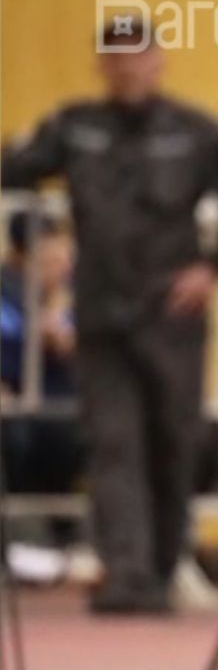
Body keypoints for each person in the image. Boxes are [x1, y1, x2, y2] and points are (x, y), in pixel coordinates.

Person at [1, 17, 218, 613]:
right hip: (102, 315)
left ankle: (162, 568)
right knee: (113, 444)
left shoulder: (195, 133)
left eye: (138, 56)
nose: (128, 69)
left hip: (171, 314)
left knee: (174, 442)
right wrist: (38, 246)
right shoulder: (75, 129)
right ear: (101, 65)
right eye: (116, 58)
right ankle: (128, 577)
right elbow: (14, 169)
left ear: (158, 60)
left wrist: (213, 267)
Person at [0, 211, 85, 513]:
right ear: (19, 261)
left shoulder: (77, 296)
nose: (61, 268)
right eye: (48, 261)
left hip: (69, 409)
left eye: (64, 260)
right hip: (20, 416)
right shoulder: (7, 296)